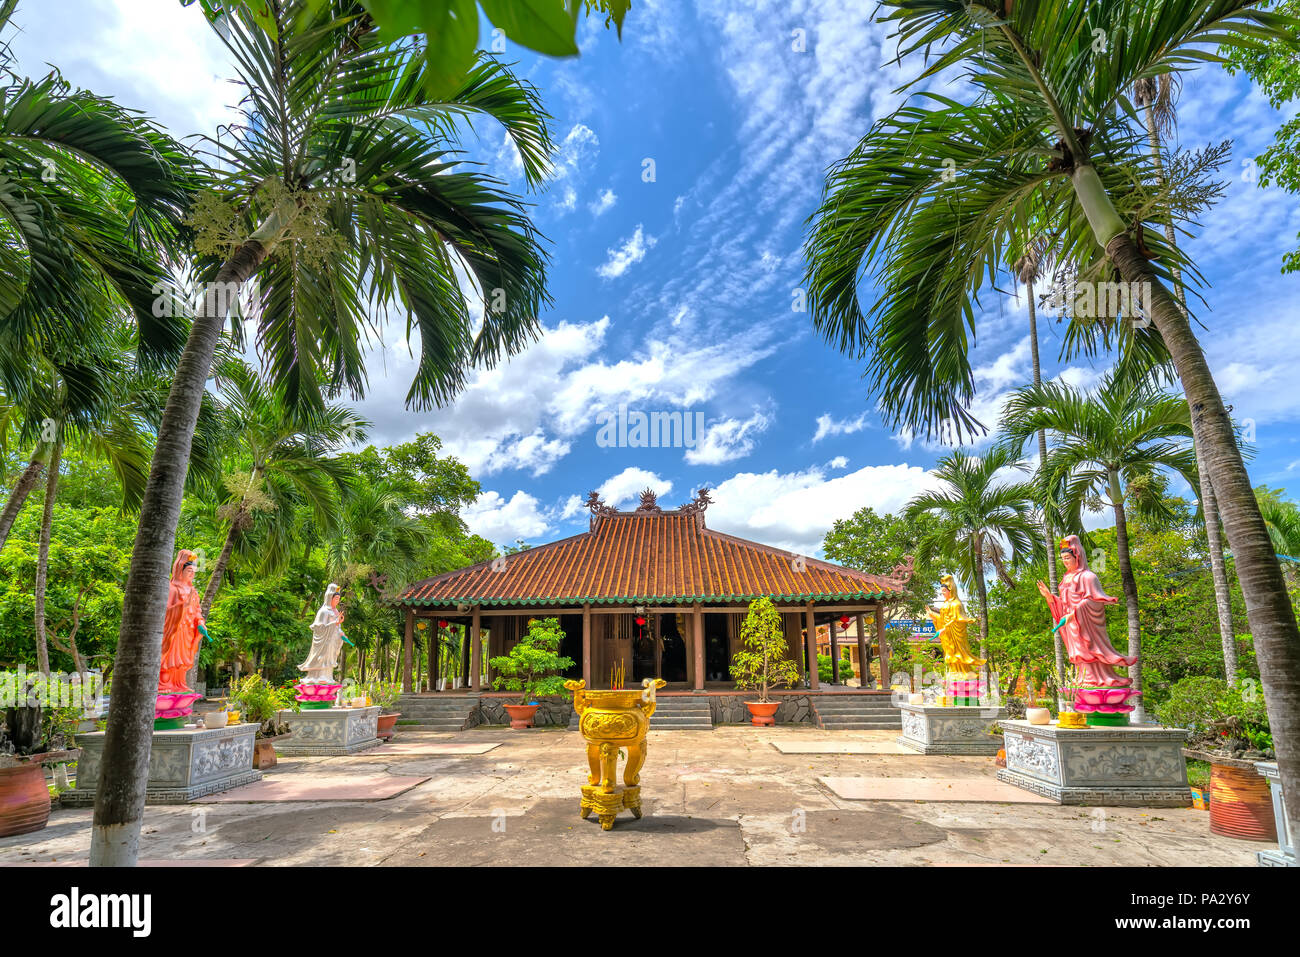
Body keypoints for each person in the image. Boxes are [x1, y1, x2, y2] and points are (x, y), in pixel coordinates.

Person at [1036, 535, 1137, 687]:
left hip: (1085, 623)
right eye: (1062, 558)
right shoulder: (1065, 579)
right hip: (1071, 624)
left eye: (1068, 558)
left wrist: (1075, 613)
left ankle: (1096, 678)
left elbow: (1093, 601)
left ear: (1078, 556)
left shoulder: (1088, 577)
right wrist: (1050, 597)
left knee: (1088, 649)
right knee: (1077, 652)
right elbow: (1063, 604)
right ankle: (1083, 677)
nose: (1065, 562)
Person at [159, 550, 205, 693]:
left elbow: (197, 610)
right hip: (174, 629)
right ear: (180, 570)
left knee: (183, 659)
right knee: (171, 657)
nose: (192, 574)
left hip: (188, 630)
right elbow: (165, 610)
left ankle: (179, 683)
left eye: (194, 571)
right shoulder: (172, 588)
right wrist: (183, 606)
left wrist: (200, 622)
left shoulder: (194, 591)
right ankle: (164, 683)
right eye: (189, 570)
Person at [927, 574, 983, 674]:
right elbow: (943, 618)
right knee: (950, 654)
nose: (942, 593)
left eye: (944, 591)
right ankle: (954, 672)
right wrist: (934, 617)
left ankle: (963, 672)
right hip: (948, 635)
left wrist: (944, 628)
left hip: (956, 634)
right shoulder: (945, 604)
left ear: (951, 590)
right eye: (942, 591)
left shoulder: (956, 604)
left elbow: (956, 619)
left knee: (958, 654)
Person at [299, 583, 346, 683]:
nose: (337, 601)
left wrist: (341, 634)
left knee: (329, 660)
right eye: (336, 598)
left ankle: (327, 676)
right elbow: (319, 628)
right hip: (324, 643)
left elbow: (338, 628)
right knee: (322, 658)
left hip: (332, 641)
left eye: (338, 599)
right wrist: (335, 623)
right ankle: (317, 677)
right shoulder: (323, 611)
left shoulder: (336, 612)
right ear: (330, 597)